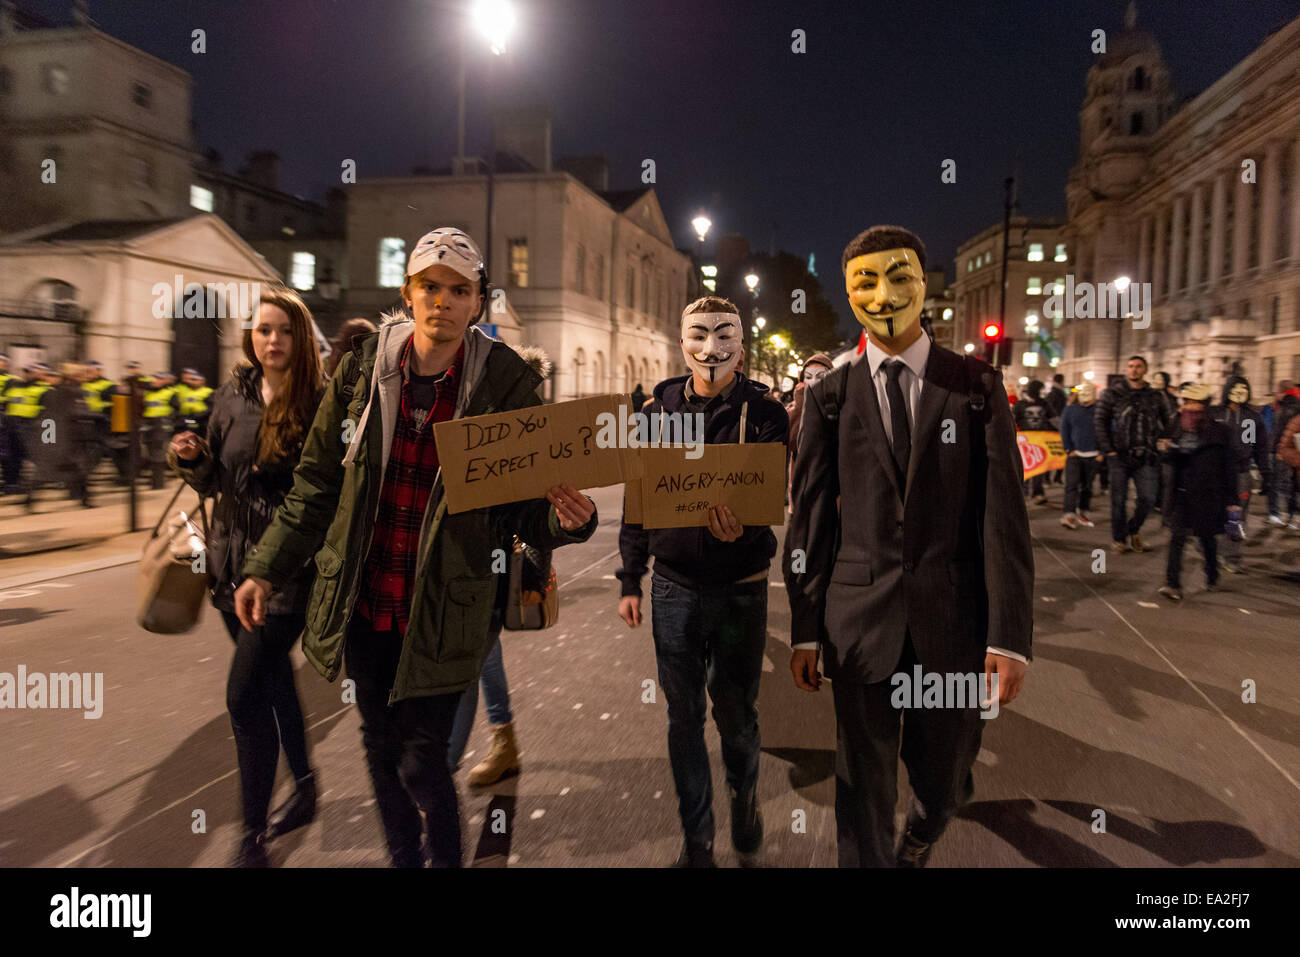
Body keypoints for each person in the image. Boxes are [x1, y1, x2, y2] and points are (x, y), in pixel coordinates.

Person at [233, 226, 598, 869]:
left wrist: (569, 520)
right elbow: (316, 483)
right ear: (408, 293)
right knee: (377, 745)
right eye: (431, 286)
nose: (444, 301)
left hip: (446, 606)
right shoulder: (361, 371)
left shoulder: (504, 384)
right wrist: (264, 568)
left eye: (460, 290)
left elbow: (521, 507)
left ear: (478, 303)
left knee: (421, 758)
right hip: (368, 601)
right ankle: (406, 858)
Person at [784, 225, 1033, 868]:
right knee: (862, 786)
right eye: (866, 280)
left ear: (925, 283)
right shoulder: (828, 396)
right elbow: (809, 521)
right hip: (858, 625)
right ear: (847, 292)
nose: (884, 293)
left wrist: (1009, 637)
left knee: (944, 774)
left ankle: (927, 825)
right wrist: (805, 627)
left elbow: (1004, 520)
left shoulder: (977, 387)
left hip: (953, 624)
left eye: (899, 277)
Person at [618, 295, 788, 867]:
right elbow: (638, 500)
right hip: (673, 587)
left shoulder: (765, 412)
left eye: (724, 336)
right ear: (680, 340)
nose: (711, 349)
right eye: (699, 335)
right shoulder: (656, 410)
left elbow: (767, 495)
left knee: (736, 713)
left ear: (741, 344)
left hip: (742, 584)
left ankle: (744, 796)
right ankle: (698, 840)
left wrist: (742, 528)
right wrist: (628, 577)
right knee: (682, 715)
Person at [168, 287, 326, 866]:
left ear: (300, 337)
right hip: (227, 564)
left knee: (243, 696)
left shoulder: (318, 401)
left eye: (284, 330)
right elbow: (213, 481)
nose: (272, 341)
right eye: (263, 330)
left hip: (285, 573)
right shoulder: (232, 393)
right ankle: (306, 786)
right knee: (274, 683)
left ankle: (251, 836)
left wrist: (272, 483)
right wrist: (190, 458)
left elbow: (320, 493)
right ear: (250, 335)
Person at [445, 343, 556, 787]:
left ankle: (444, 765)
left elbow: (539, 503)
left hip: (492, 558)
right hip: (454, 555)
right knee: (479, 653)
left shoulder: (527, 423)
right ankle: (502, 739)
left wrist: (534, 569)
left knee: (471, 653)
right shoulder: (466, 406)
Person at [1158, 384, 1235, 601]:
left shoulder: (1221, 431)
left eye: (1194, 403)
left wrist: (1232, 498)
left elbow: (1229, 466)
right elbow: (1167, 457)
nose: (1189, 407)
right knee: (1177, 537)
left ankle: (1212, 574)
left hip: (1209, 493)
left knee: (1207, 538)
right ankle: (1172, 583)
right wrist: (1167, 450)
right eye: (1186, 402)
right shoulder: (1176, 425)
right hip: (1182, 491)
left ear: (1204, 405)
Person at [1093, 355, 1172, 554]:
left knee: (1148, 498)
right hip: (1119, 455)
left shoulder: (1155, 396)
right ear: (1126, 370)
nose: (1134, 370)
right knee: (1118, 500)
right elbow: (1100, 421)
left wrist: (1164, 440)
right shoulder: (1113, 393)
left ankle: (1133, 529)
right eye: (1130, 366)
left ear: (1145, 370)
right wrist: (1108, 449)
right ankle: (1119, 539)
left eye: (1138, 366)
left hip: (1146, 455)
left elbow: (1168, 422)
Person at [1212, 375, 1268, 573]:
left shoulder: (1251, 418)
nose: (1239, 392)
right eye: (1235, 388)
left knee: (1236, 516)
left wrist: (1264, 472)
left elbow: (1255, 446)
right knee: (1213, 512)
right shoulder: (1215, 413)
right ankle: (1212, 550)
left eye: (1244, 388)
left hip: (1240, 472)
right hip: (1215, 471)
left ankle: (1232, 557)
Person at [785, 353, 833, 509]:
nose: (814, 382)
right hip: (801, 490)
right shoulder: (792, 408)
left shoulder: (839, 406)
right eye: (809, 376)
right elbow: (791, 442)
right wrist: (801, 404)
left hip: (830, 490)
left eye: (821, 376)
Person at [1059, 383, 1099, 529]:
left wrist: (1101, 452)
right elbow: (1064, 429)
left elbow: (1107, 429)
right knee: (1071, 485)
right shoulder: (1070, 410)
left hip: (1094, 455)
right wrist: (1068, 449)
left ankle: (1083, 512)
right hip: (1075, 454)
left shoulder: (1100, 410)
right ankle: (1069, 514)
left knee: (1087, 486)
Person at [1013, 379, 1052, 504]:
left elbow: (1054, 418)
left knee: (1039, 468)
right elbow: (1012, 420)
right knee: (1024, 468)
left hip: (1040, 440)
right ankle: (1022, 493)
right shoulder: (1020, 405)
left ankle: (1037, 493)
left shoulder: (1044, 404)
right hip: (1025, 440)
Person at [1263, 380, 1294, 525]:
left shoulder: (1284, 408)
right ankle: (1288, 515)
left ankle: (1276, 513)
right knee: (1286, 483)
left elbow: (1279, 430)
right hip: (1283, 450)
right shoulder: (1278, 407)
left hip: (1279, 450)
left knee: (1277, 482)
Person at [141, 370, 178, 489]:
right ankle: (155, 480)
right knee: (150, 454)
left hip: (161, 426)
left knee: (158, 455)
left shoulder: (170, 393)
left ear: (165, 380)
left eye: (159, 379)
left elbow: (176, 410)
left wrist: (168, 420)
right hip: (149, 425)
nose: (155, 381)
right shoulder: (148, 393)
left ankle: (158, 483)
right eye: (154, 378)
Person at [1272, 386, 1300, 528]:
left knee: (1286, 485)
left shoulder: (1283, 409)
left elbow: (1282, 435)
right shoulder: (1296, 415)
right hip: (1294, 457)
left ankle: (1285, 514)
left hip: (1289, 457)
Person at [175, 367, 215, 437]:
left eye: (195, 380)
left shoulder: (208, 392)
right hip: (185, 420)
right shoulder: (184, 391)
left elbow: (211, 408)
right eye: (191, 380)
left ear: (202, 381)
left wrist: (199, 415)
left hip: (201, 421)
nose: (191, 382)